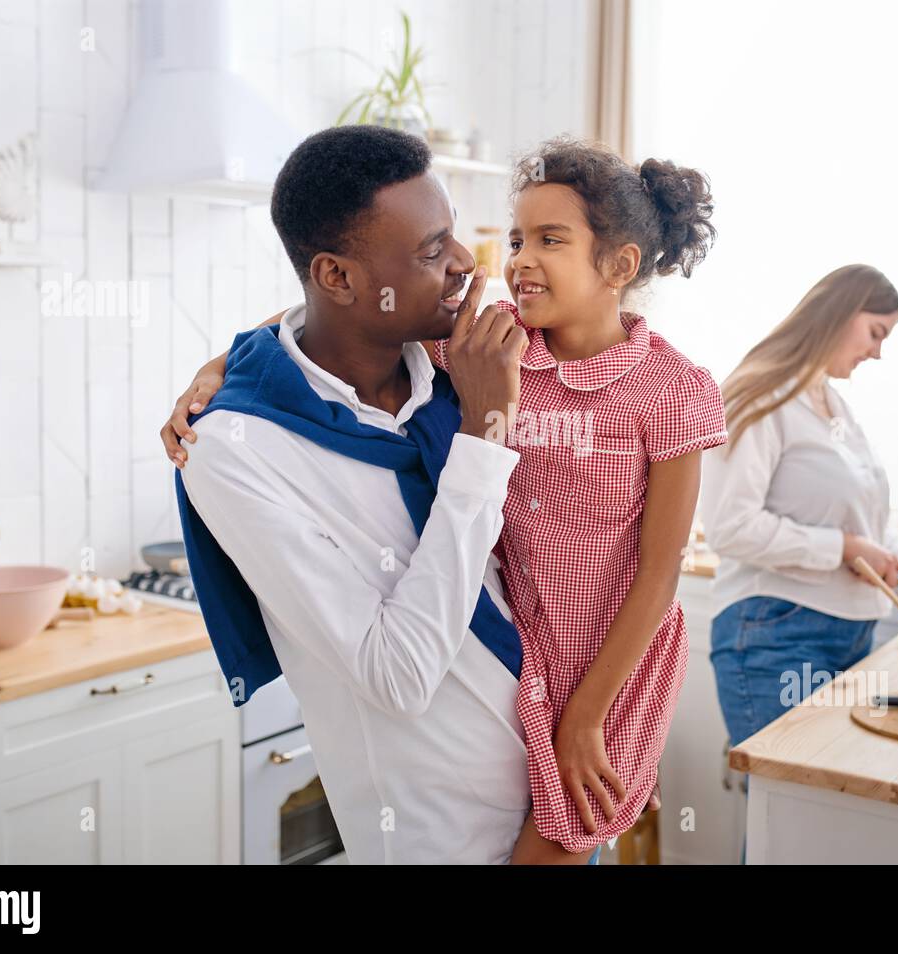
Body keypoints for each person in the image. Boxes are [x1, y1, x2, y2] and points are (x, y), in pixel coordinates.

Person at [167, 136, 727, 863]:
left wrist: (591, 717)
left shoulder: (645, 384)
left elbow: (660, 571)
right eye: (514, 238)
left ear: (619, 266)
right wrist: (227, 365)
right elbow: (326, 318)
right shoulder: (489, 354)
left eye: (547, 240)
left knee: (570, 833)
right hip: (490, 741)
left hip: (601, 677)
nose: (492, 262)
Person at [173, 125, 532, 863]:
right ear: (337, 277)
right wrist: (484, 438)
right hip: (444, 840)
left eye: (453, 237)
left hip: (564, 794)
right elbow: (396, 677)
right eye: (433, 251)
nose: (466, 264)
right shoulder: (238, 449)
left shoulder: (453, 358)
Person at [699, 264, 898, 749]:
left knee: (822, 813)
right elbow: (730, 527)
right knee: (787, 813)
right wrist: (844, 548)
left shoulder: (834, 406)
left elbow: (864, 520)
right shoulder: (759, 397)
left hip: (849, 637)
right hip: (777, 635)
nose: (877, 351)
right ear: (840, 313)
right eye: (875, 332)